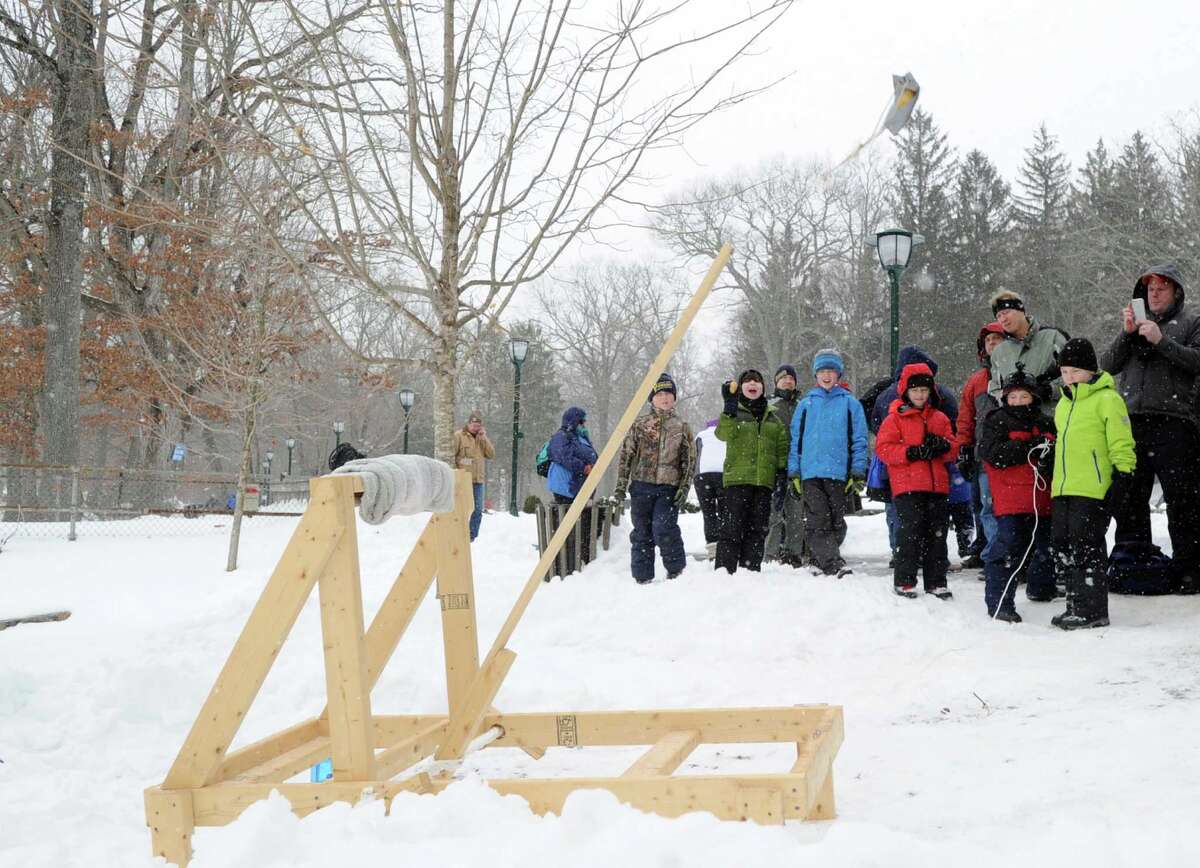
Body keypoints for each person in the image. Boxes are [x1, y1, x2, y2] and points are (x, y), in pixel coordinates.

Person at [1101, 264, 1200, 594]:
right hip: (1131, 423)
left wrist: (1162, 341)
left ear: (1176, 292)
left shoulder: (1191, 322)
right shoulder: (1134, 325)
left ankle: (1190, 570)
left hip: (1174, 423)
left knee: (1182, 500)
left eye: (1161, 288)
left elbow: (1196, 361)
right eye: (1150, 288)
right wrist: (1126, 333)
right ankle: (1134, 565)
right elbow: (1108, 365)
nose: (1154, 293)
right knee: (1129, 498)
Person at [1050, 339, 1136, 630]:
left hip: (1092, 488)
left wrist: (1123, 475)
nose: (1069, 377)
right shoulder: (1063, 404)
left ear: (1089, 370)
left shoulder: (1107, 399)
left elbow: (1121, 441)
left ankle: (1093, 609)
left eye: (1075, 371)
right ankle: (1074, 604)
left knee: (1087, 546)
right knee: (1064, 546)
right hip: (1063, 487)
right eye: (1064, 372)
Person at [979, 365, 1057, 622]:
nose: (1018, 402)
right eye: (1013, 397)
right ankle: (1000, 601)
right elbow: (993, 454)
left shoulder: (1045, 421)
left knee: (1043, 547)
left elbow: (1055, 453)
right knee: (1009, 548)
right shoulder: (997, 420)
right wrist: (1029, 448)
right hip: (1011, 496)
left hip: (1041, 496)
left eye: (1023, 396)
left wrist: (1046, 457)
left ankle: (1041, 588)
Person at [875, 363, 959, 599]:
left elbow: (953, 448)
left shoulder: (940, 418)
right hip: (907, 486)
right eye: (915, 391)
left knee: (937, 535)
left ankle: (936, 581)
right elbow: (884, 449)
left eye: (924, 390)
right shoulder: (895, 419)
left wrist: (943, 447)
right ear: (906, 393)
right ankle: (905, 580)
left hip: (937, 487)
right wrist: (910, 453)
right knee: (909, 534)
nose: (920, 395)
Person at [786, 349, 868, 577]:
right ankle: (832, 563)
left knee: (836, 521)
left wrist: (858, 471)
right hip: (810, 473)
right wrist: (794, 472)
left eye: (831, 370)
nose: (827, 375)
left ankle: (817, 557)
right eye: (822, 370)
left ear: (838, 374)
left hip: (839, 472)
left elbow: (859, 440)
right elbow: (796, 441)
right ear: (815, 374)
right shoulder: (806, 404)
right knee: (817, 517)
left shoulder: (850, 404)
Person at [614, 374, 695, 584]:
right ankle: (642, 578)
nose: (665, 398)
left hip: (668, 488)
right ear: (652, 398)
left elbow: (689, 461)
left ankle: (677, 572)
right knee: (642, 532)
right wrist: (620, 487)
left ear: (675, 398)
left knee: (664, 528)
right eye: (660, 393)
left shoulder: (682, 426)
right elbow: (626, 455)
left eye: (669, 393)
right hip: (641, 485)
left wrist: (684, 488)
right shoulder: (640, 424)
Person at [715, 370, 790, 574]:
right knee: (731, 529)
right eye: (747, 381)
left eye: (757, 380)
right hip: (736, 481)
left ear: (763, 387)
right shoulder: (734, 413)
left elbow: (782, 449)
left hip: (763, 483)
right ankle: (724, 573)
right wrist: (729, 407)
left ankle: (751, 571)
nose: (752, 384)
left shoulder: (773, 419)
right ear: (741, 387)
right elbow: (722, 434)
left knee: (757, 530)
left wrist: (782, 475)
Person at [956, 322, 1007, 569]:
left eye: (997, 339)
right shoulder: (976, 381)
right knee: (978, 504)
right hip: (979, 453)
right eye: (988, 341)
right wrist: (964, 448)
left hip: (1002, 452)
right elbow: (966, 418)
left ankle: (997, 556)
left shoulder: (1011, 373)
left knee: (991, 505)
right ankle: (986, 547)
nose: (992, 344)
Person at [987, 290, 1068, 414]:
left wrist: (1049, 390)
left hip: (1054, 419)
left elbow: (1077, 375)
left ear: (1021, 310)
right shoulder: (999, 353)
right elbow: (994, 390)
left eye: (1006, 312)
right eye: (998, 316)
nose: (1003, 319)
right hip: (1015, 428)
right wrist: (1009, 400)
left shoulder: (1053, 338)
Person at [764, 364, 807, 567]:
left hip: (798, 466)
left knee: (796, 514)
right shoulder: (769, 405)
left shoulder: (803, 405)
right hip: (774, 467)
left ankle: (793, 554)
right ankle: (770, 555)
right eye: (783, 378)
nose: (788, 381)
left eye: (791, 378)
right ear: (776, 382)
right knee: (774, 514)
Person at [547, 407, 599, 571]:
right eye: (582, 421)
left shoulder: (581, 437)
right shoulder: (561, 436)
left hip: (581, 487)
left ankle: (580, 560)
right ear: (574, 421)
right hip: (567, 487)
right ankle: (567, 563)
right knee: (568, 524)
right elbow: (563, 456)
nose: (584, 424)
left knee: (582, 524)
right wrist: (583, 467)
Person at [452, 412, 495, 542]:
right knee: (463, 508)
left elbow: (491, 454)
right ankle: (459, 532)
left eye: (478, 426)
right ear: (468, 424)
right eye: (473, 425)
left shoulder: (481, 438)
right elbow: (453, 456)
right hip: (463, 479)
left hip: (478, 480)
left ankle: (471, 535)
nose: (475, 428)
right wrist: (461, 466)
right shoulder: (459, 436)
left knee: (477, 509)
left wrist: (484, 438)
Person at [694, 419, 729, 561]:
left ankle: (712, 546)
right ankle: (724, 544)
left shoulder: (701, 435)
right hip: (723, 475)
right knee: (724, 511)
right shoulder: (726, 434)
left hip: (703, 476)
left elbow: (695, 455)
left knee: (708, 513)